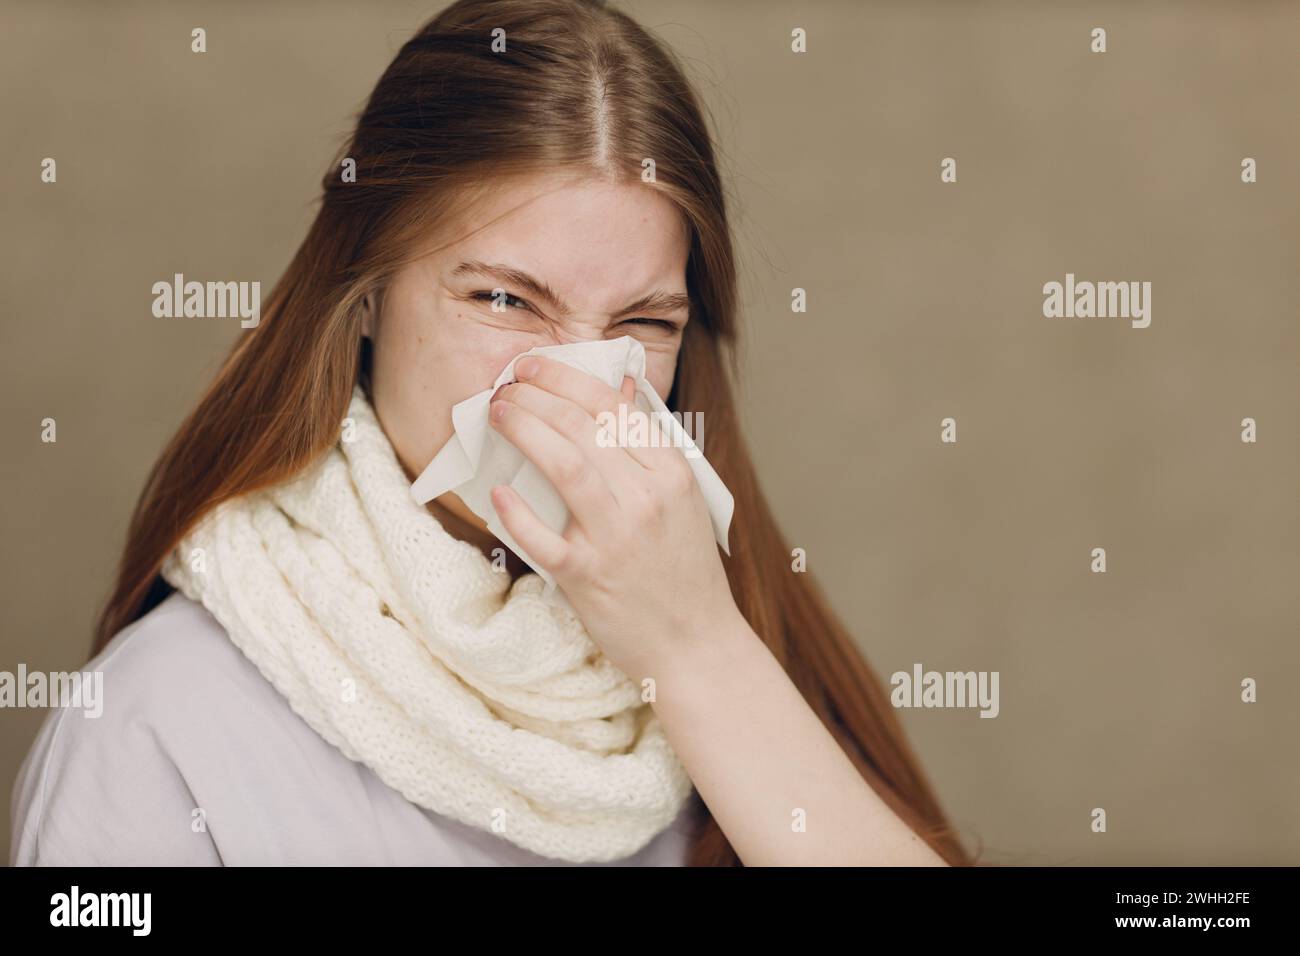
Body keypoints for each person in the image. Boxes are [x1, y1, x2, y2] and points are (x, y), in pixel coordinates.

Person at [10, 0, 973, 867]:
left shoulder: (747, 664)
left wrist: (693, 649)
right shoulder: (161, 726)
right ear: (368, 296)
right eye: (506, 299)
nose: (574, 383)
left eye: (643, 325)